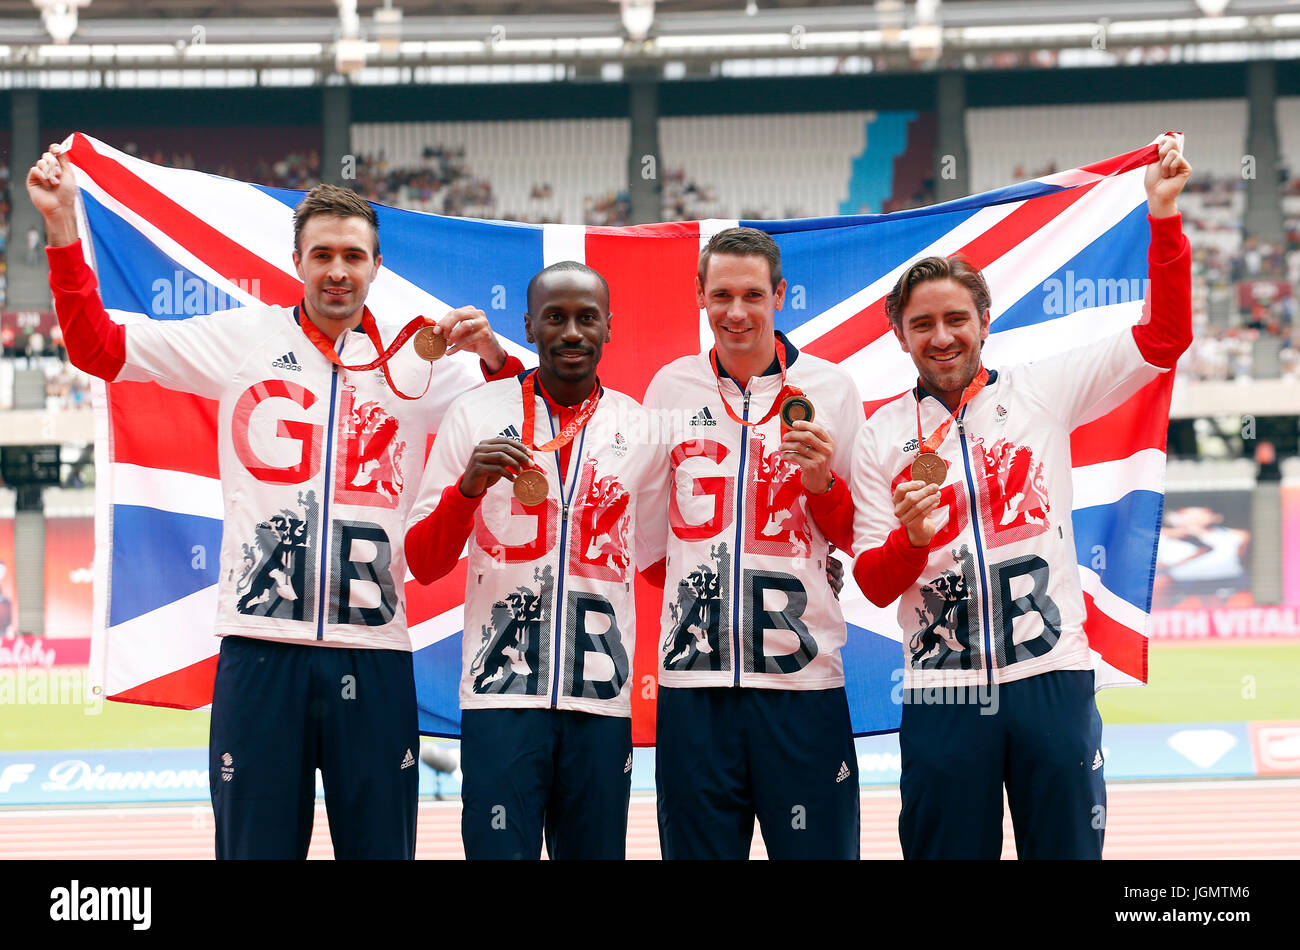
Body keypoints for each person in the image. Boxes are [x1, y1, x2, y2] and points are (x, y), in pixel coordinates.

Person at [27, 142, 523, 859]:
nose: (338, 271)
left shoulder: (426, 367)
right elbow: (98, 348)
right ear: (297, 263)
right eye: (322, 255)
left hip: (373, 654)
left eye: (354, 257)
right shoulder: (243, 339)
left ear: (376, 268)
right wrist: (63, 228)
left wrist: (495, 357)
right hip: (262, 656)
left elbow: (539, 413)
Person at [849, 134, 1193, 859]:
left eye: (956, 319)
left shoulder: (1042, 391)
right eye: (922, 325)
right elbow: (876, 587)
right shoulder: (880, 436)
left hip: (1052, 680)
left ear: (984, 320)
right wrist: (910, 539)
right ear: (899, 336)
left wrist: (1162, 219)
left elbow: (1164, 339)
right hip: (943, 694)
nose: (942, 336)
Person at [405, 261, 666, 859]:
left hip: (600, 698)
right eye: (555, 317)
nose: (571, 331)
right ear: (528, 326)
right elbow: (423, 561)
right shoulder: (473, 415)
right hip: (502, 696)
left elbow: (663, 557)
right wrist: (465, 491)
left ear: (608, 329)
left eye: (586, 318)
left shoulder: (642, 430)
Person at [642, 226, 865, 859]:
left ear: (781, 295)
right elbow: (655, 548)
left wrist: (821, 489)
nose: (736, 312)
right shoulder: (669, 389)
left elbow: (856, 536)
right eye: (721, 295)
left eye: (752, 295)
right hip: (694, 689)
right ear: (700, 296)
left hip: (802, 684)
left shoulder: (833, 389)